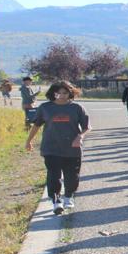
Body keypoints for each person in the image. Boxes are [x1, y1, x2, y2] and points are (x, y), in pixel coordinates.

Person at [25, 81, 91, 215]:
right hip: (51, 147)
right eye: (58, 93)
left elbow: (87, 127)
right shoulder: (45, 108)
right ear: (53, 93)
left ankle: (68, 196)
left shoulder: (77, 108)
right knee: (53, 176)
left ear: (70, 93)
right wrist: (29, 141)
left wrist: (80, 137)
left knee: (72, 177)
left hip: (72, 148)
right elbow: (36, 125)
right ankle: (56, 201)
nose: (61, 96)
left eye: (65, 93)